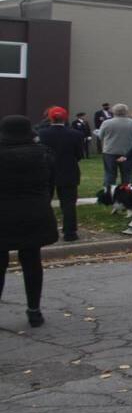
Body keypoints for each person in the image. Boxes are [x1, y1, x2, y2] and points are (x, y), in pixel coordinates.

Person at [0, 115, 57, 328]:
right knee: (32, 262)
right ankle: (34, 310)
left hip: (3, 214)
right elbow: (50, 185)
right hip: (34, 212)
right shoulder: (43, 154)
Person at [36, 107, 85, 241]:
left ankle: (44, 230)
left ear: (50, 118)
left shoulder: (41, 134)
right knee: (69, 203)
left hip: (46, 171)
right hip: (69, 170)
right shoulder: (76, 134)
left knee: (44, 201)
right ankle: (70, 232)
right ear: (65, 118)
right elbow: (79, 155)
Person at [98, 103, 132, 200]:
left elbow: (100, 136)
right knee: (128, 175)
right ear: (126, 112)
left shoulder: (107, 123)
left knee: (110, 174)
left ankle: (108, 194)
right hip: (128, 152)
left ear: (113, 112)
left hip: (110, 152)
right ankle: (128, 195)